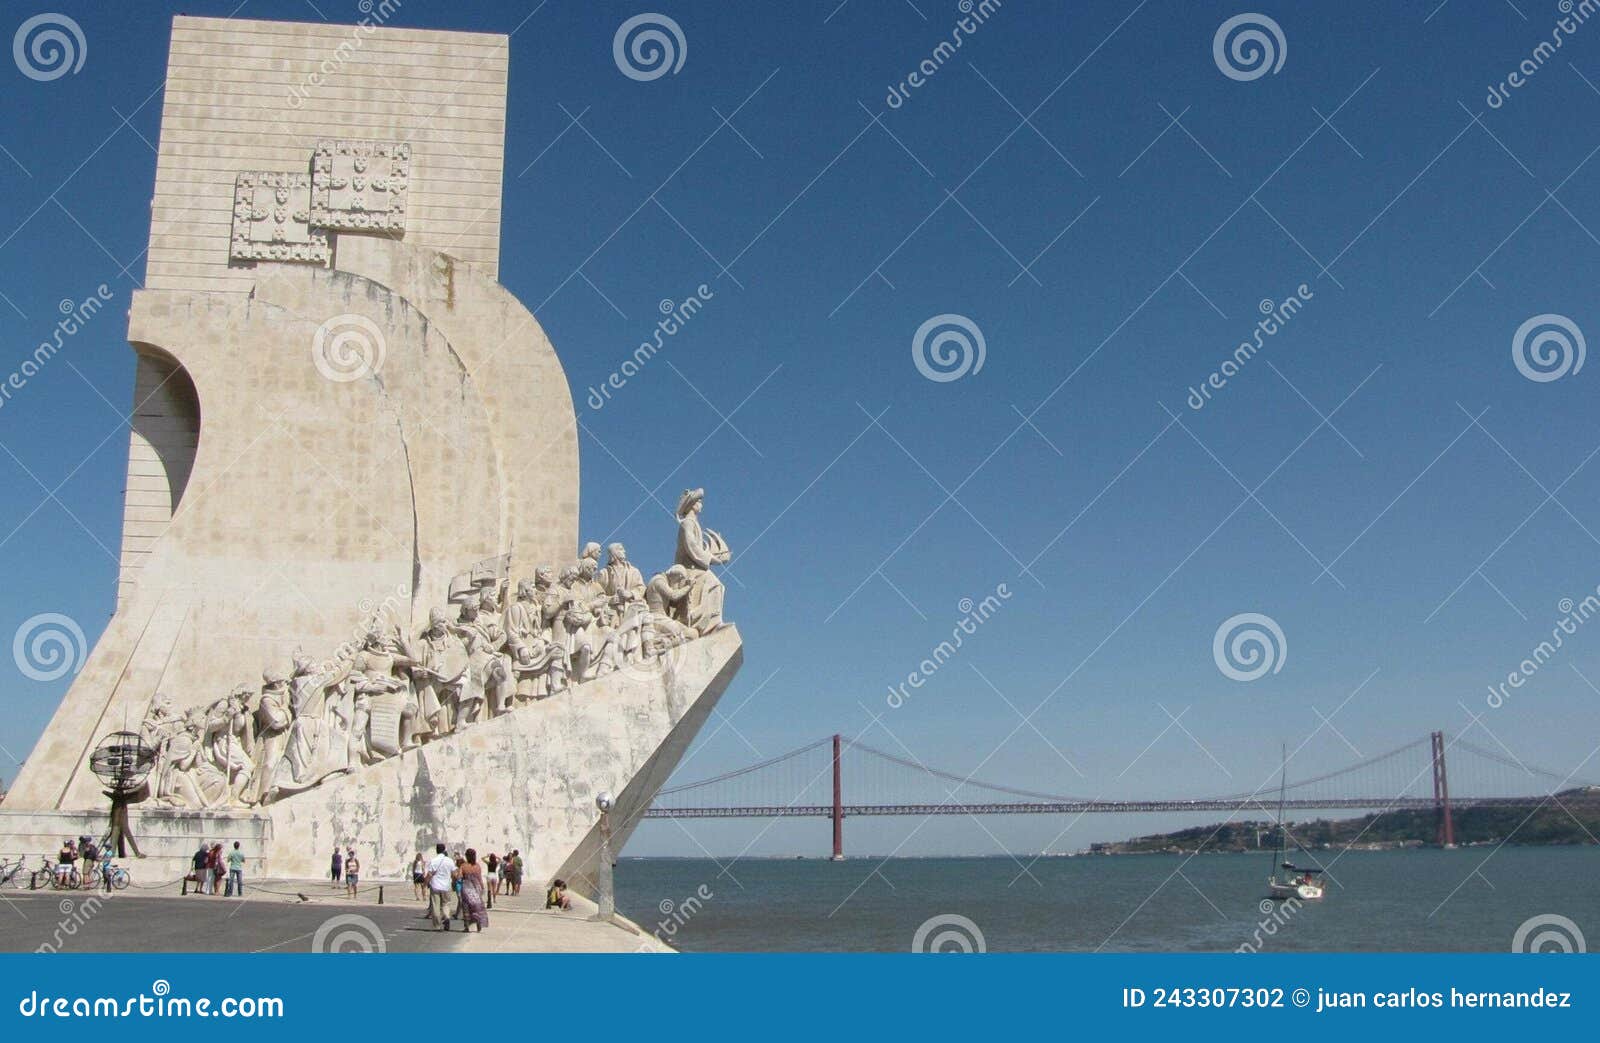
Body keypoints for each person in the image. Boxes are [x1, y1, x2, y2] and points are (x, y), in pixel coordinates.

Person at [455, 848, 488, 932]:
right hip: (476, 887)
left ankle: (467, 927)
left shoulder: (463, 866)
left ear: (466, 856)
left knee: (466, 907)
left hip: (466, 887)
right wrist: (483, 888)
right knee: (477, 906)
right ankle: (478, 925)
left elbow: (459, 877)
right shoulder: (477, 866)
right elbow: (480, 879)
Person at [425, 843, 454, 930]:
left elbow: (429, 874)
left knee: (435, 905)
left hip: (435, 886)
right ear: (444, 850)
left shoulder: (433, 860)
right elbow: (455, 873)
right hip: (446, 886)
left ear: (437, 850)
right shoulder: (449, 861)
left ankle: (437, 926)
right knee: (446, 904)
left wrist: (425, 883)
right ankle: (446, 917)